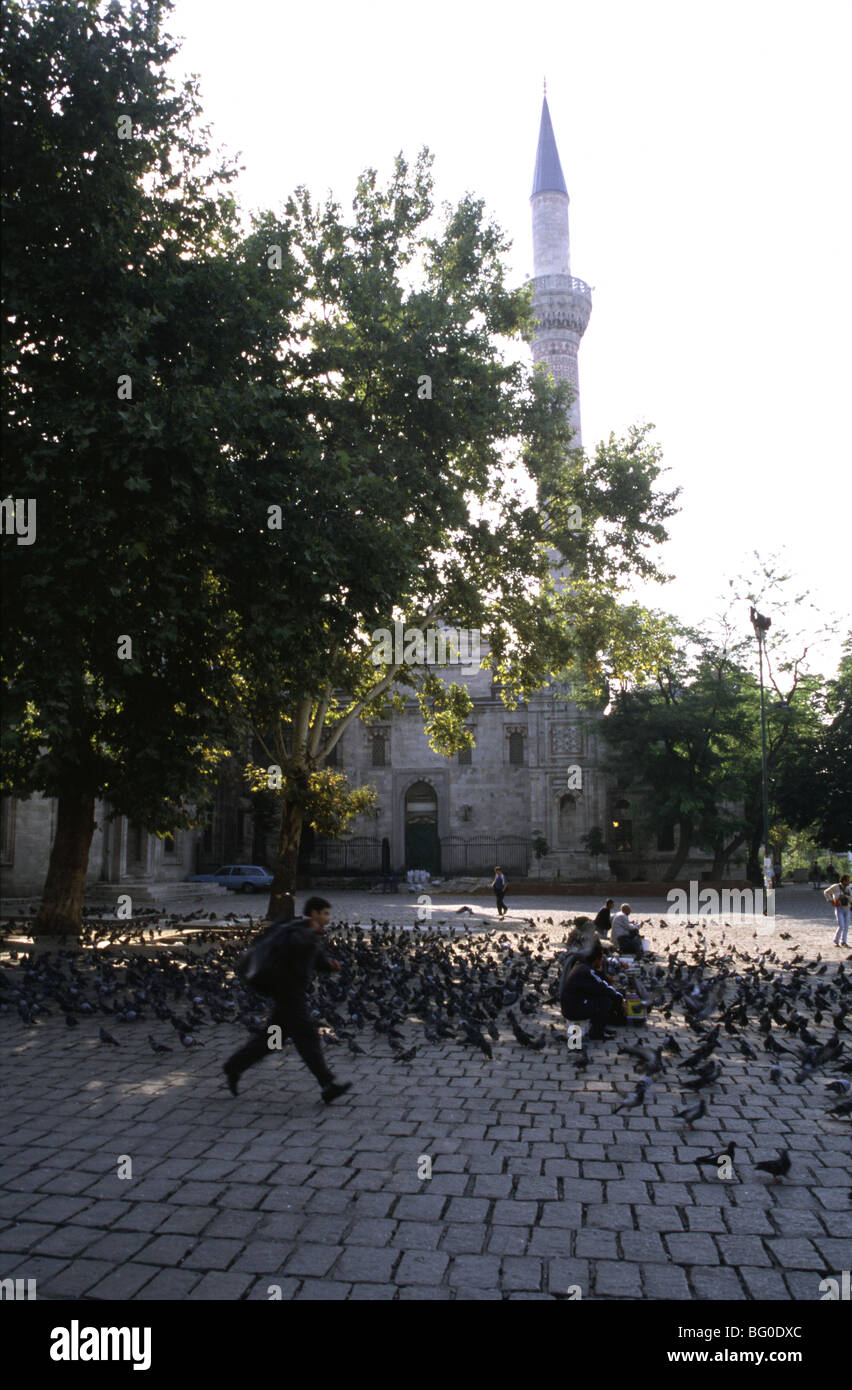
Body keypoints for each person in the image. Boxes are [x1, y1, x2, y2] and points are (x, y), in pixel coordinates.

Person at [224, 897, 352, 1103]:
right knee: (307, 1037)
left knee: (272, 1040)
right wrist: (310, 935)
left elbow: (314, 959)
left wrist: (329, 966)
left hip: (288, 996)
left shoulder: (307, 930)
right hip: (289, 994)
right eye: (325, 913)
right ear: (314, 913)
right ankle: (327, 1084)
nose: (328, 918)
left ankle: (234, 1066)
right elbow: (296, 951)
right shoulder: (300, 931)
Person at [559, 941, 628, 1041]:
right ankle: (596, 1033)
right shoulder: (588, 971)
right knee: (605, 1001)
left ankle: (594, 1029)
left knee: (599, 998)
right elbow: (604, 988)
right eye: (601, 959)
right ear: (596, 959)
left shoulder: (580, 966)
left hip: (570, 1006)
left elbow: (597, 986)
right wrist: (621, 999)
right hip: (574, 1009)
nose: (602, 962)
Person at [823, 873, 851, 948]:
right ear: (844, 881)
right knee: (841, 926)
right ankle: (836, 941)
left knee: (846, 926)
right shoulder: (835, 887)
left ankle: (844, 941)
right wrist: (831, 900)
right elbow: (826, 892)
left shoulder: (849, 888)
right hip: (839, 908)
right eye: (848, 880)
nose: (849, 882)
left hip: (847, 908)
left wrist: (845, 896)